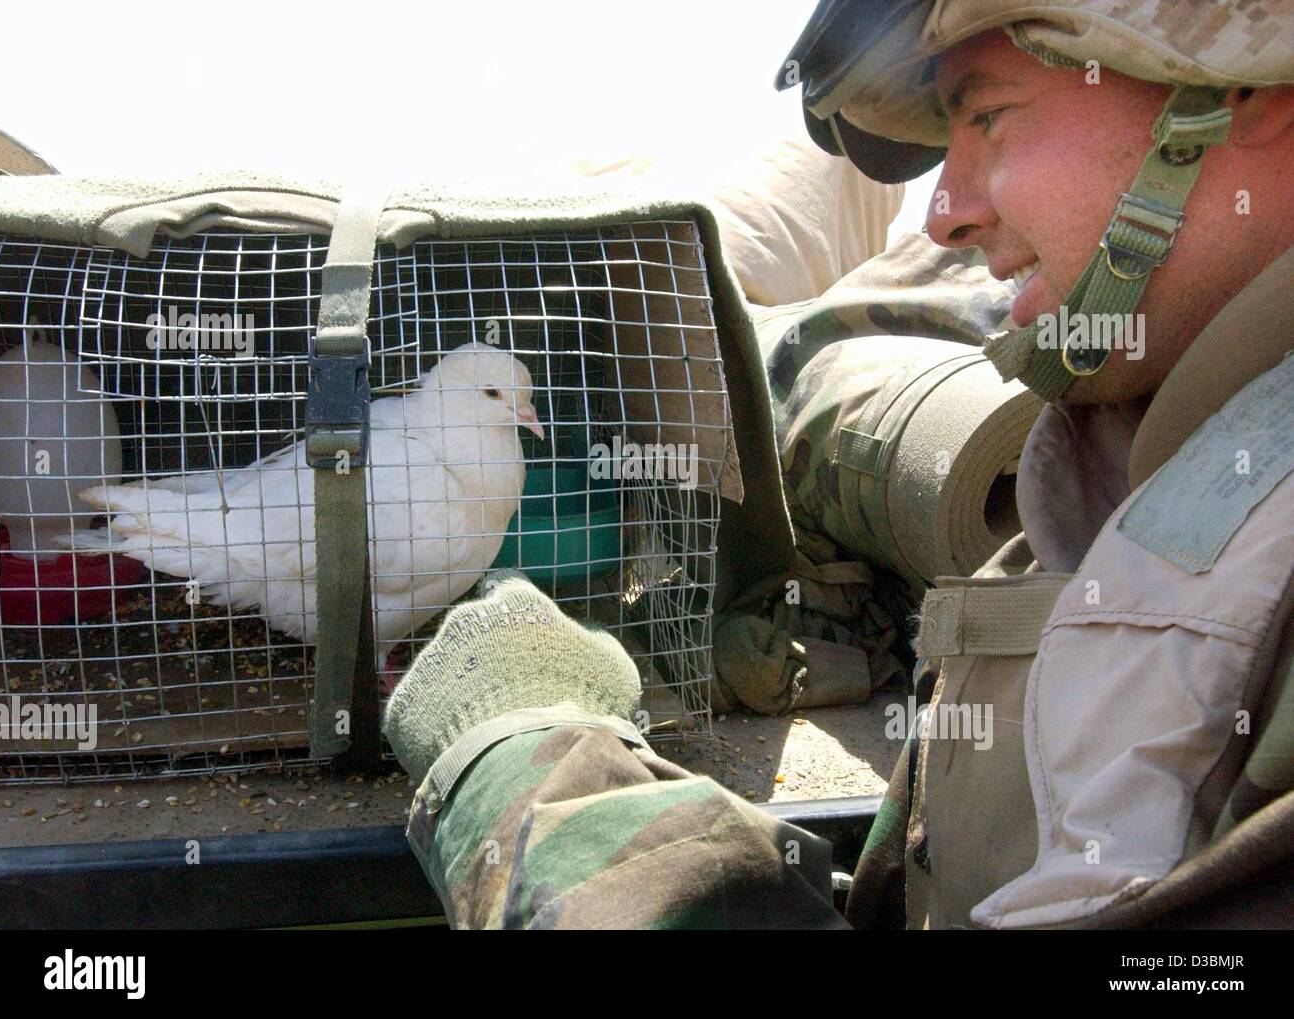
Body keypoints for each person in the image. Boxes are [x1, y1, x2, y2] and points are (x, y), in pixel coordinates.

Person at [382, 0, 1294, 929]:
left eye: (990, 118)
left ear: (1246, 89)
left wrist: (540, 771)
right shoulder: (1104, 486)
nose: (944, 214)